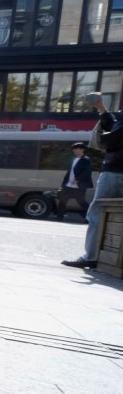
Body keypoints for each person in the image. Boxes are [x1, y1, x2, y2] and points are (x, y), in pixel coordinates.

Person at [62, 93, 123, 268]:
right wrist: (102, 110)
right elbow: (115, 127)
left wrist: (103, 137)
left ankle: (91, 256)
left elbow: (114, 136)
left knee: (96, 213)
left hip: (115, 169)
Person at [54, 142, 93, 222]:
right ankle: (59, 217)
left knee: (81, 202)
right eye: (73, 148)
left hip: (78, 185)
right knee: (63, 200)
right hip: (68, 185)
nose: (74, 150)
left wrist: (78, 180)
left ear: (82, 149)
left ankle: (90, 218)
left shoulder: (86, 159)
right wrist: (63, 184)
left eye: (76, 148)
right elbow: (69, 172)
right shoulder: (73, 159)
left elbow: (86, 172)